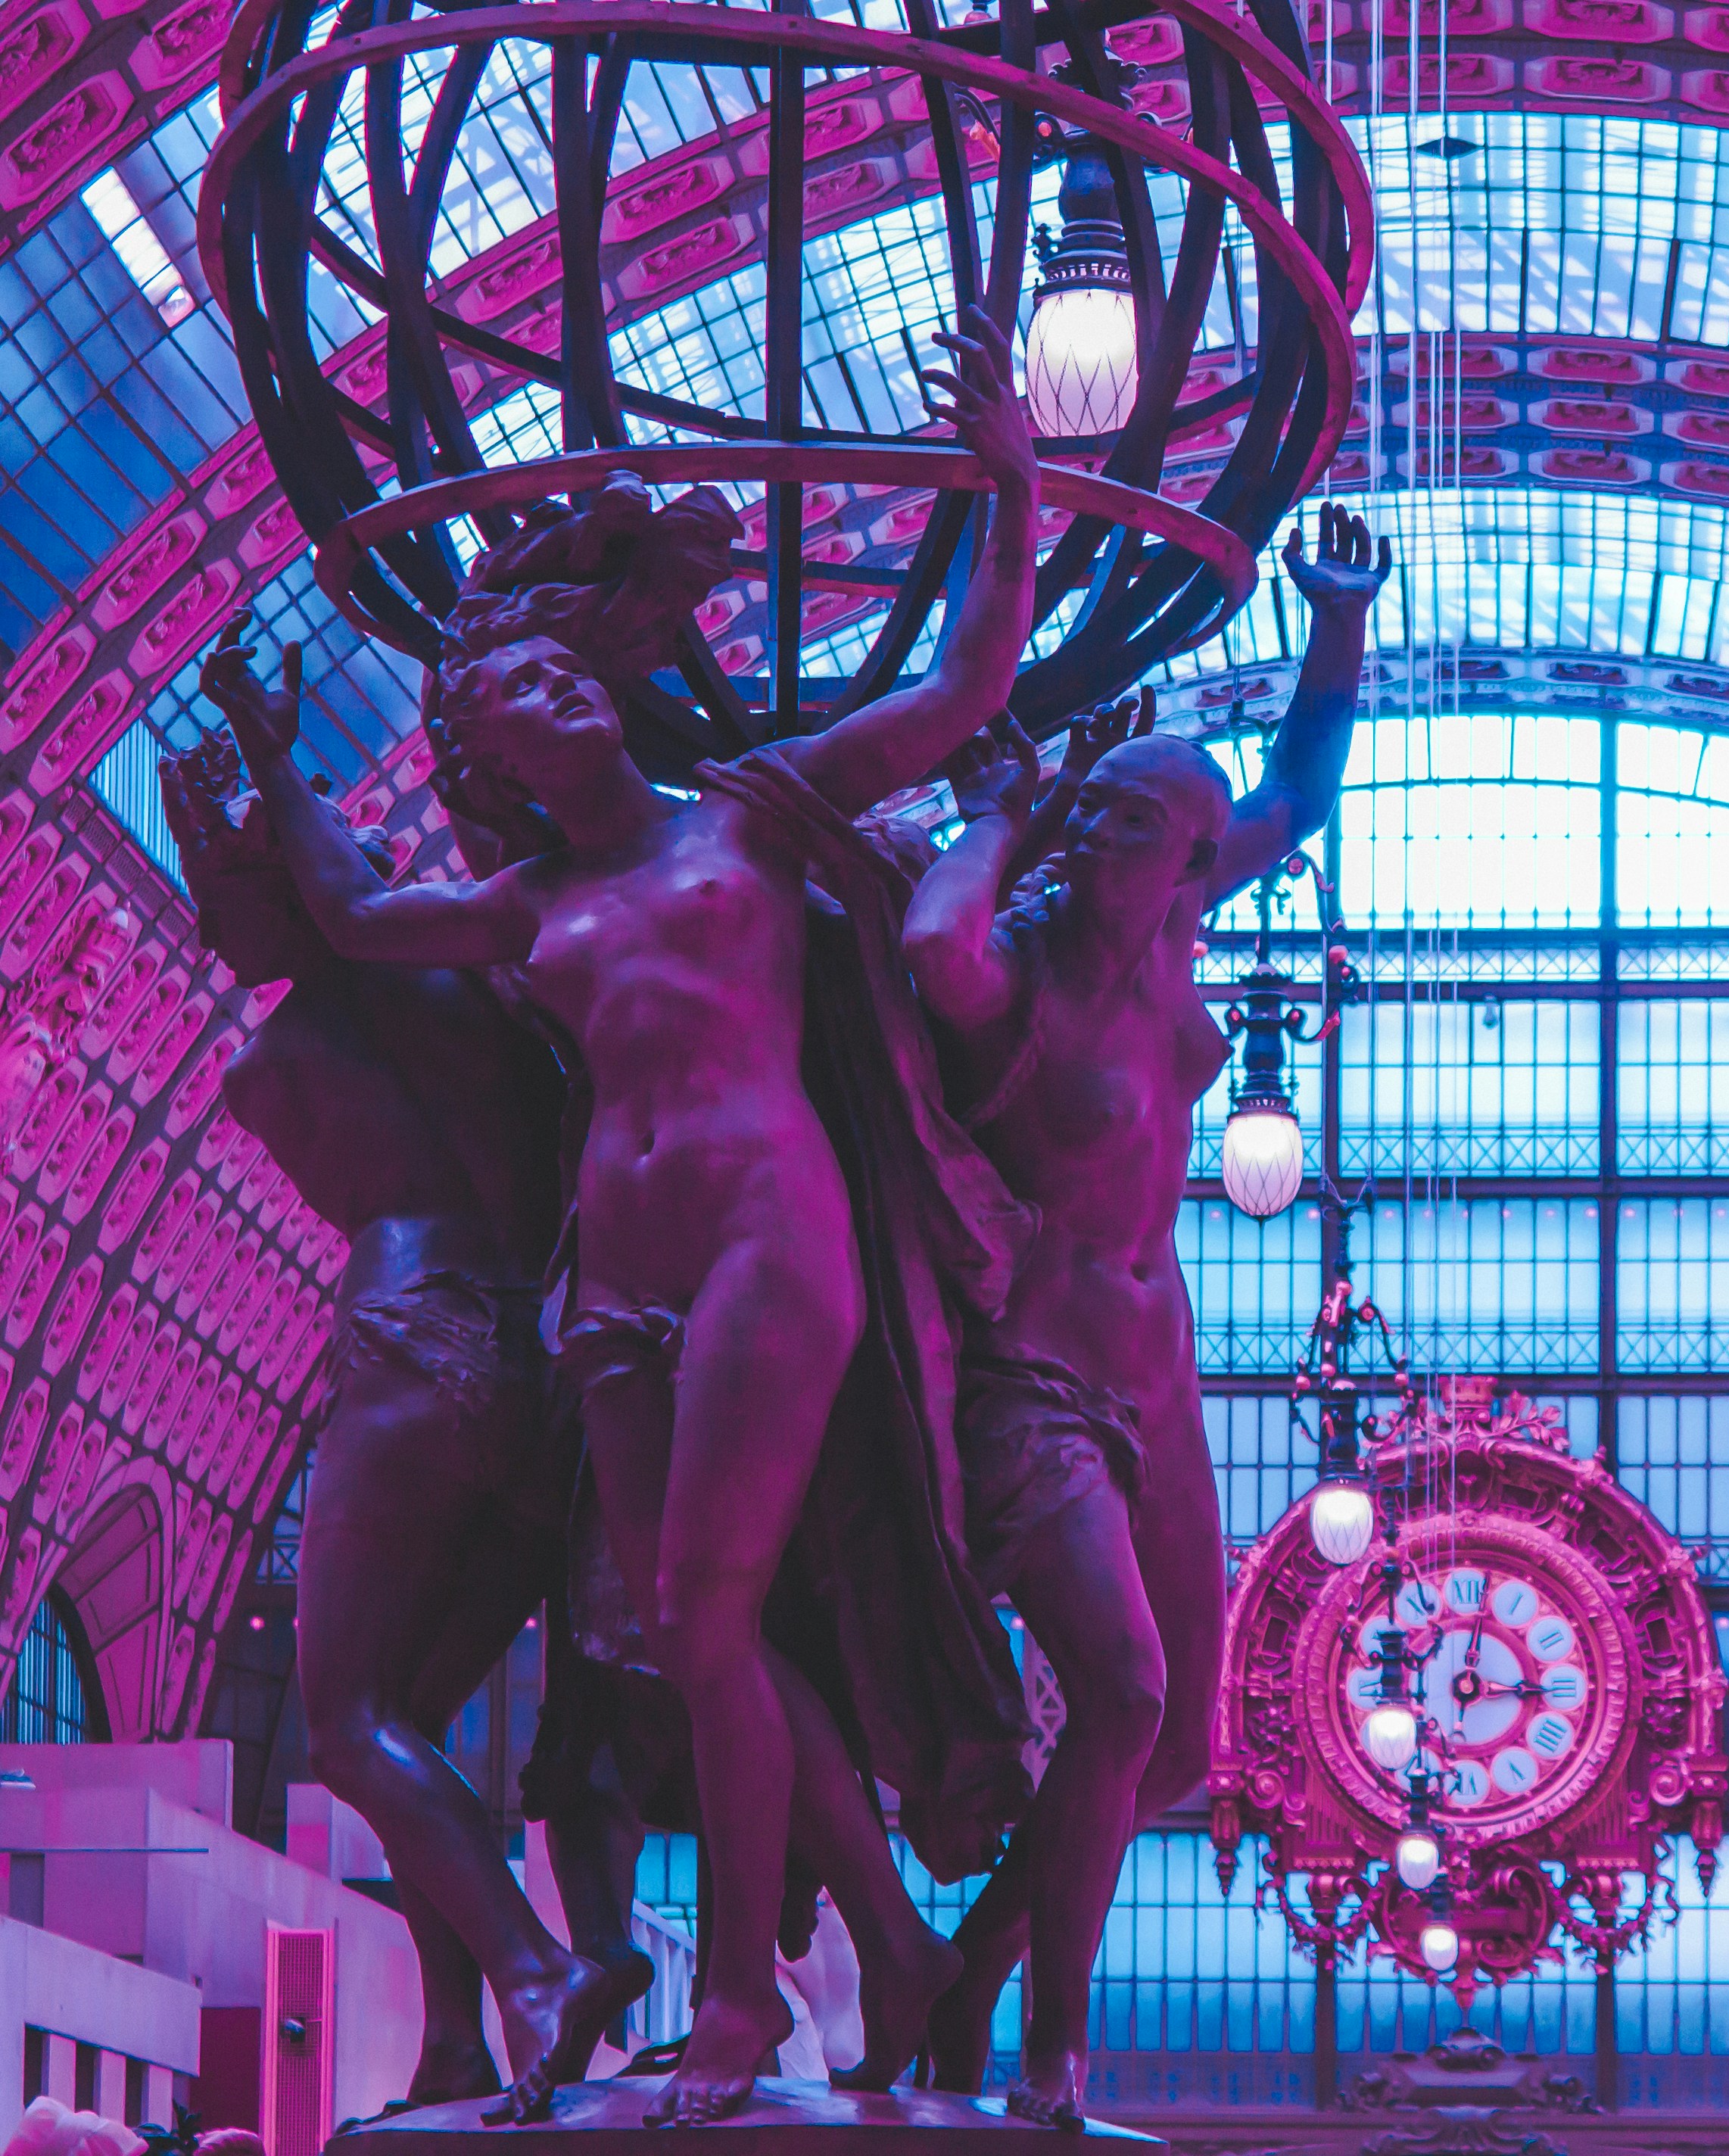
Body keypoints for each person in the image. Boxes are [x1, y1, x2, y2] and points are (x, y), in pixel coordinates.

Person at [205, 307, 1046, 2127]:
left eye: (574, 671)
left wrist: (1010, 477)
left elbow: (966, 686)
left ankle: (745, 1993)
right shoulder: (523, 907)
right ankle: (835, 1965)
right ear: (490, 751)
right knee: (674, 1625)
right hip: (614, 1277)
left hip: (767, 1235)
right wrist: (273, 765)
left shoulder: (753, 811)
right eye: (521, 688)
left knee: (715, 1605)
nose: (566, 689)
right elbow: (352, 918)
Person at [903, 503, 1391, 2122]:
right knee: (1118, 1690)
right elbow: (926, 942)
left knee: (1171, 1742)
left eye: (1176, 833)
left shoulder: (1172, 935)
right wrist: (993, 817)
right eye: (1119, 817)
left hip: (1153, 1376)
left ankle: (964, 1981)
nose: (1162, 850)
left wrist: (1335, 621)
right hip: (1030, 1379)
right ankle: (1050, 2052)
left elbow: (1304, 792)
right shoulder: (1014, 971)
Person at [157, 730, 648, 2117]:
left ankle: (529, 1966)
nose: (208, 924)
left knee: (349, 1716)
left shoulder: (280, 1063)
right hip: (544, 1363)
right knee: (420, 1713)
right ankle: (450, 2046)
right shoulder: (493, 996)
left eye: (222, 888)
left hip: (408, 1342)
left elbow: (332, 1142)